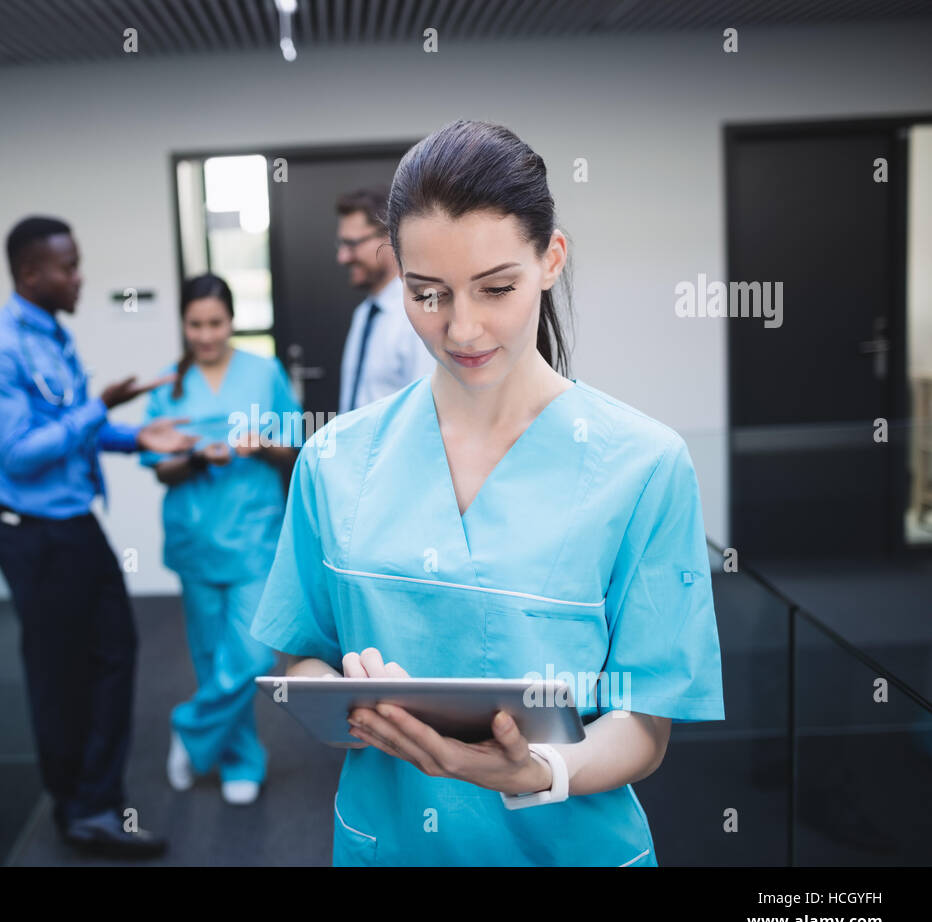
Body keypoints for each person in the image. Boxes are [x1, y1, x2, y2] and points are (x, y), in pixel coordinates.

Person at [250, 121, 725, 866]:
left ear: (550, 260)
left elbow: (645, 721)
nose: (461, 329)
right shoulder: (334, 461)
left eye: (496, 288)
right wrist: (355, 701)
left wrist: (544, 770)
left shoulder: (644, 467)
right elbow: (298, 661)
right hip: (391, 843)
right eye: (427, 293)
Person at [0, 215, 197, 859]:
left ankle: (92, 797)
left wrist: (135, 437)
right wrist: (103, 406)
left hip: (72, 525)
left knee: (114, 653)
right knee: (60, 674)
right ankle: (79, 808)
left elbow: (72, 430)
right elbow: (19, 455)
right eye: (67, 267)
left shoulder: (52, 335)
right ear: (30, 274)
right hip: (34, 535)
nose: (79, 277)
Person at [141, 273, 302, 805]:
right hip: (195, 538)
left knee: (254, 655)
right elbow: (159, 467)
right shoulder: (168, 385)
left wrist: (263, 446)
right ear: (183, 324)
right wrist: (192, 457)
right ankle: (240, 760)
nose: (206, 335)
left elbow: (297, 448)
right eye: (195, 324)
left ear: (231, 321)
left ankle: (188, 726)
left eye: (216, 323)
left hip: (254, 537)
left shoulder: (264, 372)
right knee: (212, 658)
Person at [335, 185, 437, 413]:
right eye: (341, 245)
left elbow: (425, 410)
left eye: (352, 244)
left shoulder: (420, 313)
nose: (342, 257)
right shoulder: (365, 313)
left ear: (390, 238)